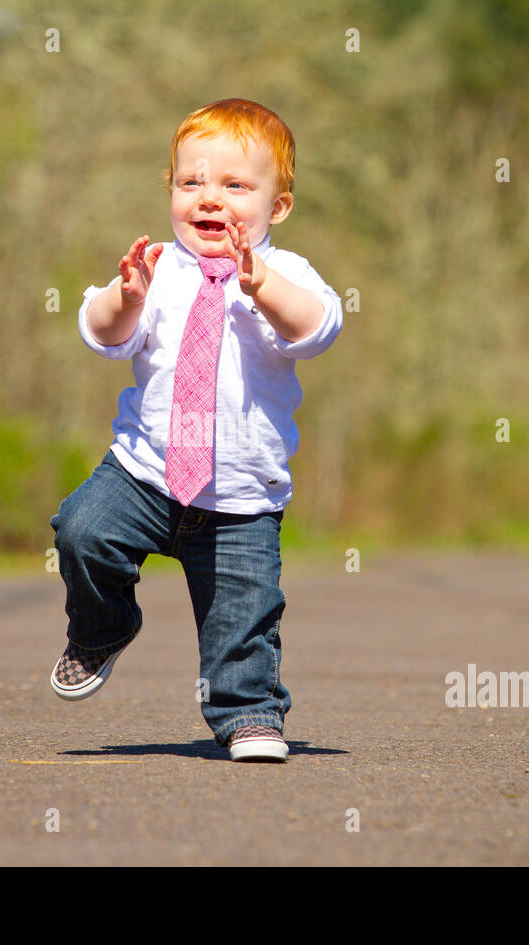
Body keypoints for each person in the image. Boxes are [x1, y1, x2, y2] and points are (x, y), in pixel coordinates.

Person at [48, 98, 343, 762]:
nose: (210, 198)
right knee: (82, 530)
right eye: (192, 183)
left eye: (235, 186)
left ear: (279, 206)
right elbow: (99, 335)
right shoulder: (157, 269)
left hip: (240, 493)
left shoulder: (286, 274)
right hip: (146, 473)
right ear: (171, 190)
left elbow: (317, 328)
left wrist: (261, 284)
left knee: (243, 616)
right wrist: (122, 300)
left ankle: (249, 714)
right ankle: (103, 627)